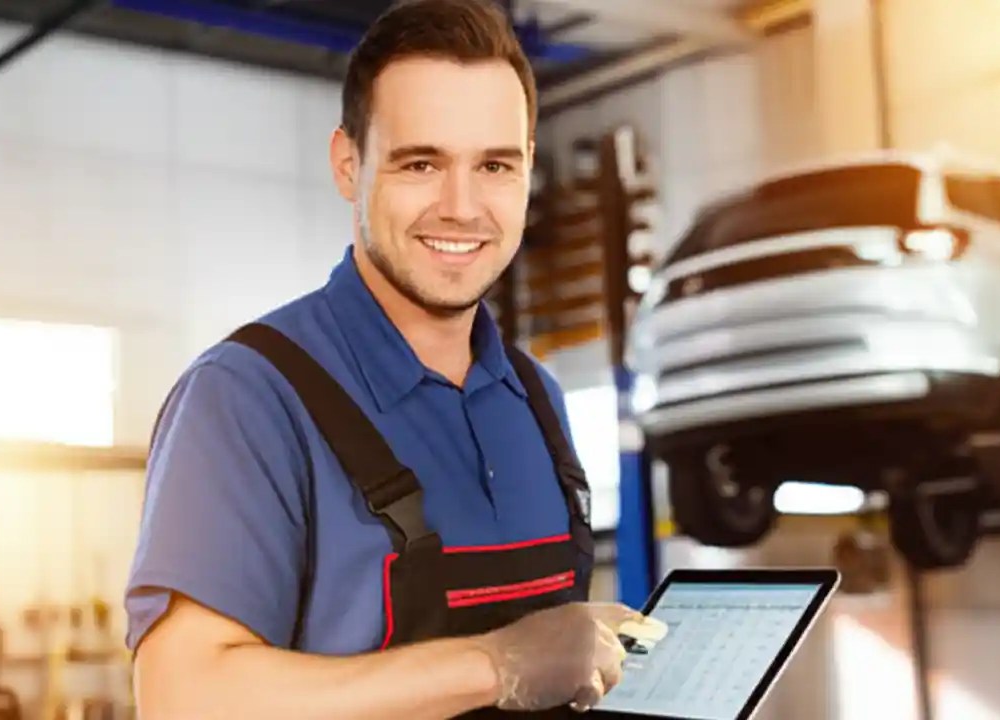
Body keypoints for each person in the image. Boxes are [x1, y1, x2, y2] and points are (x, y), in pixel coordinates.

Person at [123, 0, 641, 717]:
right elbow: (185, 699)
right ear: (348, 164)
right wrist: (495, 665)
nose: (461, 207)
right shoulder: (248, 397)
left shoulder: (537, 400)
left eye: (495, 165)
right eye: (421, 163)